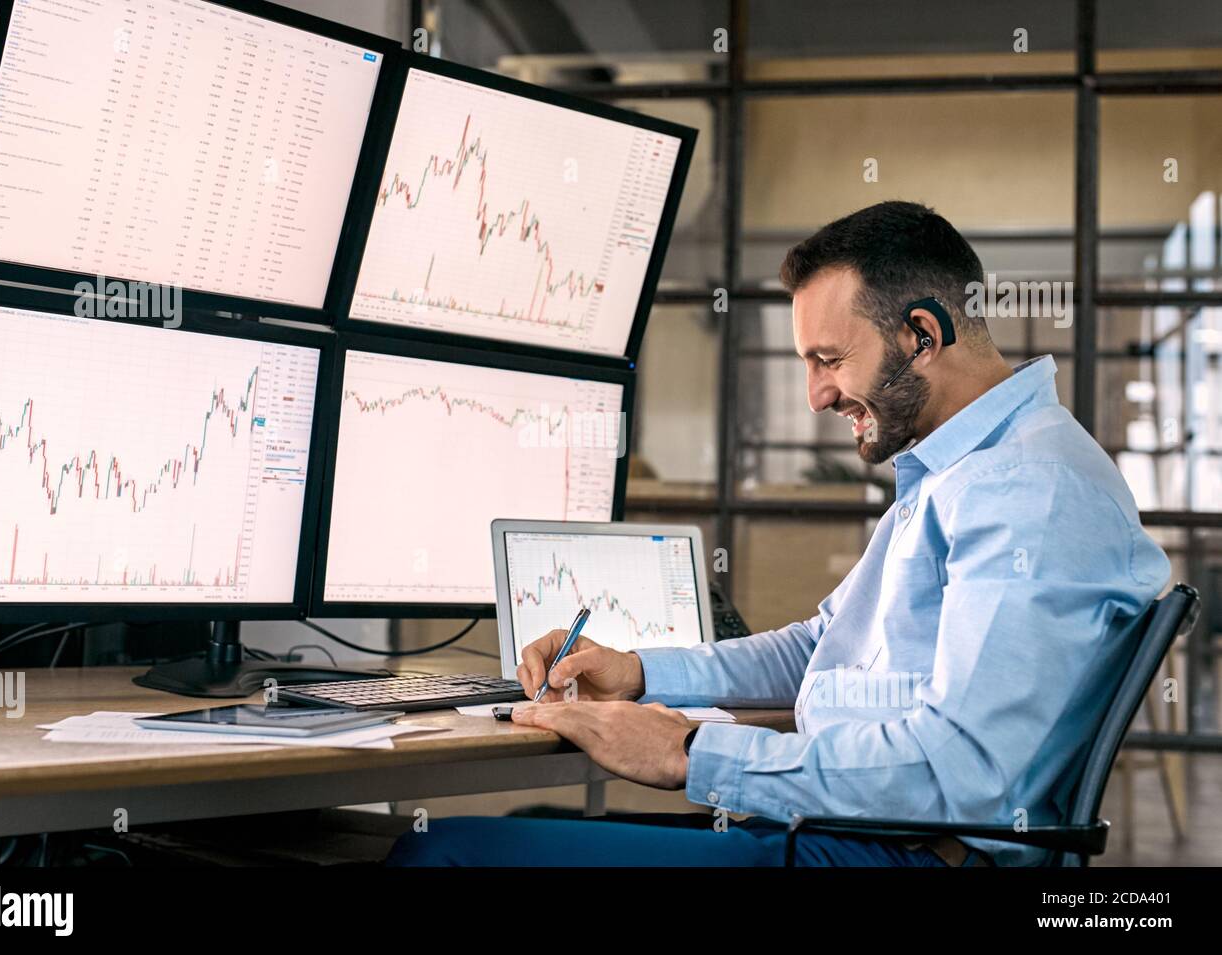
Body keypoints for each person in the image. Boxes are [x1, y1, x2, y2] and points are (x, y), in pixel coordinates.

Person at [386, 200, 1170, 867]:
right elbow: (819, 646)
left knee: (442, 853)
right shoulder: (967, 469)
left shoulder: (1024, 490)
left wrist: (687, 753)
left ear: (922, 336)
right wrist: (635, 673)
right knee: (525, 833)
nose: (816, 396)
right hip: (855, 836)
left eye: (830, 360)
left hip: (888, 853)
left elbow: (963, 772)